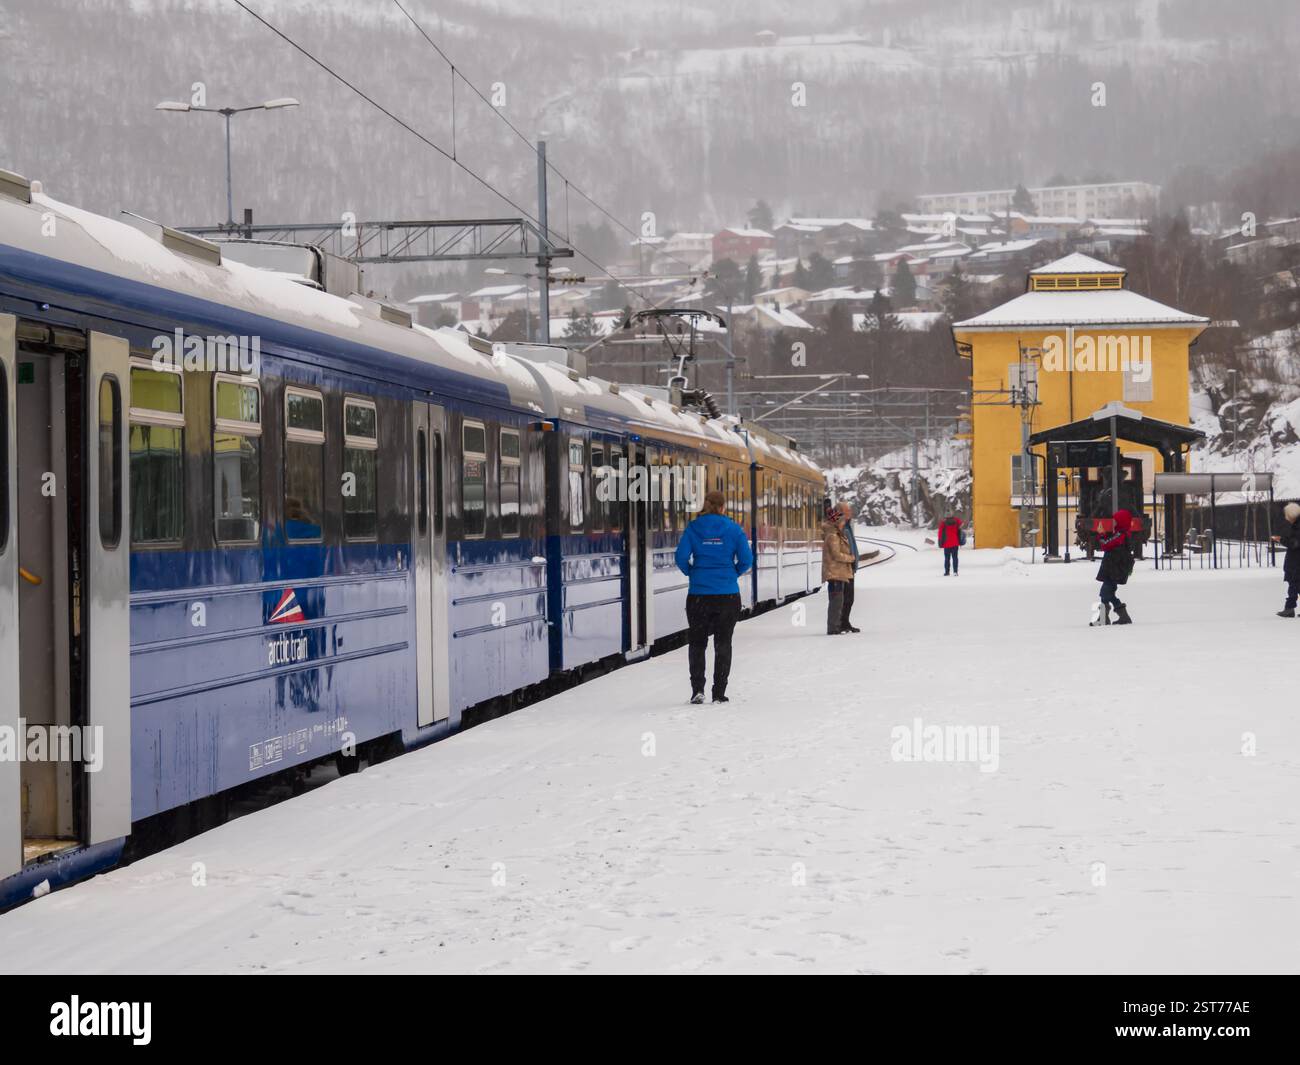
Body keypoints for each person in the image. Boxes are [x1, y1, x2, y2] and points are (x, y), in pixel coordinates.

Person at [675, 489, 754, 704]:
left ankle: (697, 690)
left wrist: (693, 572)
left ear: (706, 505)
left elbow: (681, 557)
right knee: (723, 643)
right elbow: (747, 559)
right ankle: (719, 692)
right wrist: (732, 573)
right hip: (727, 595)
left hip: (699, 595)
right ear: (722, 507)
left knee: (697, 643)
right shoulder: (733, 528)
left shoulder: (693, 527)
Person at [1093, 508, 1135, 626]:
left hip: (1114, 569)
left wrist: (1101, 534)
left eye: (1116, 521)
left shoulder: (1121, 535)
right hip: (1113, 568)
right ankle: (1104, 618)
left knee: (1106, 593)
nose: (1114, 523)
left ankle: (1122, 616)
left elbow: (1106, 545)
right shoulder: (1121, 534)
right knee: (1106, 593)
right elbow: (1110, 543)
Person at [821, 503, 858, 635]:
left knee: (839, 600)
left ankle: (838, 626)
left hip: (839, 571)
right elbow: (836, 554)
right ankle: (834, 627)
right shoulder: (833, 535)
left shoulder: (837, 533)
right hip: (835, 572)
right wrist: (850, 558)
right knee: (837, 601)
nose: (844, 523)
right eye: (842, 521)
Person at [1271, 502, 1300, 617]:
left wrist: (1281, 539)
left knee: (1294, 583)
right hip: (1296, 561)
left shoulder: (1298, 527)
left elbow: (1294, 543)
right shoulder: (1296, 526)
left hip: (1296, 562)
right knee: (1295, 584)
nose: (1286, 518)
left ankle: (1289, 608)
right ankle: (1289, 608)